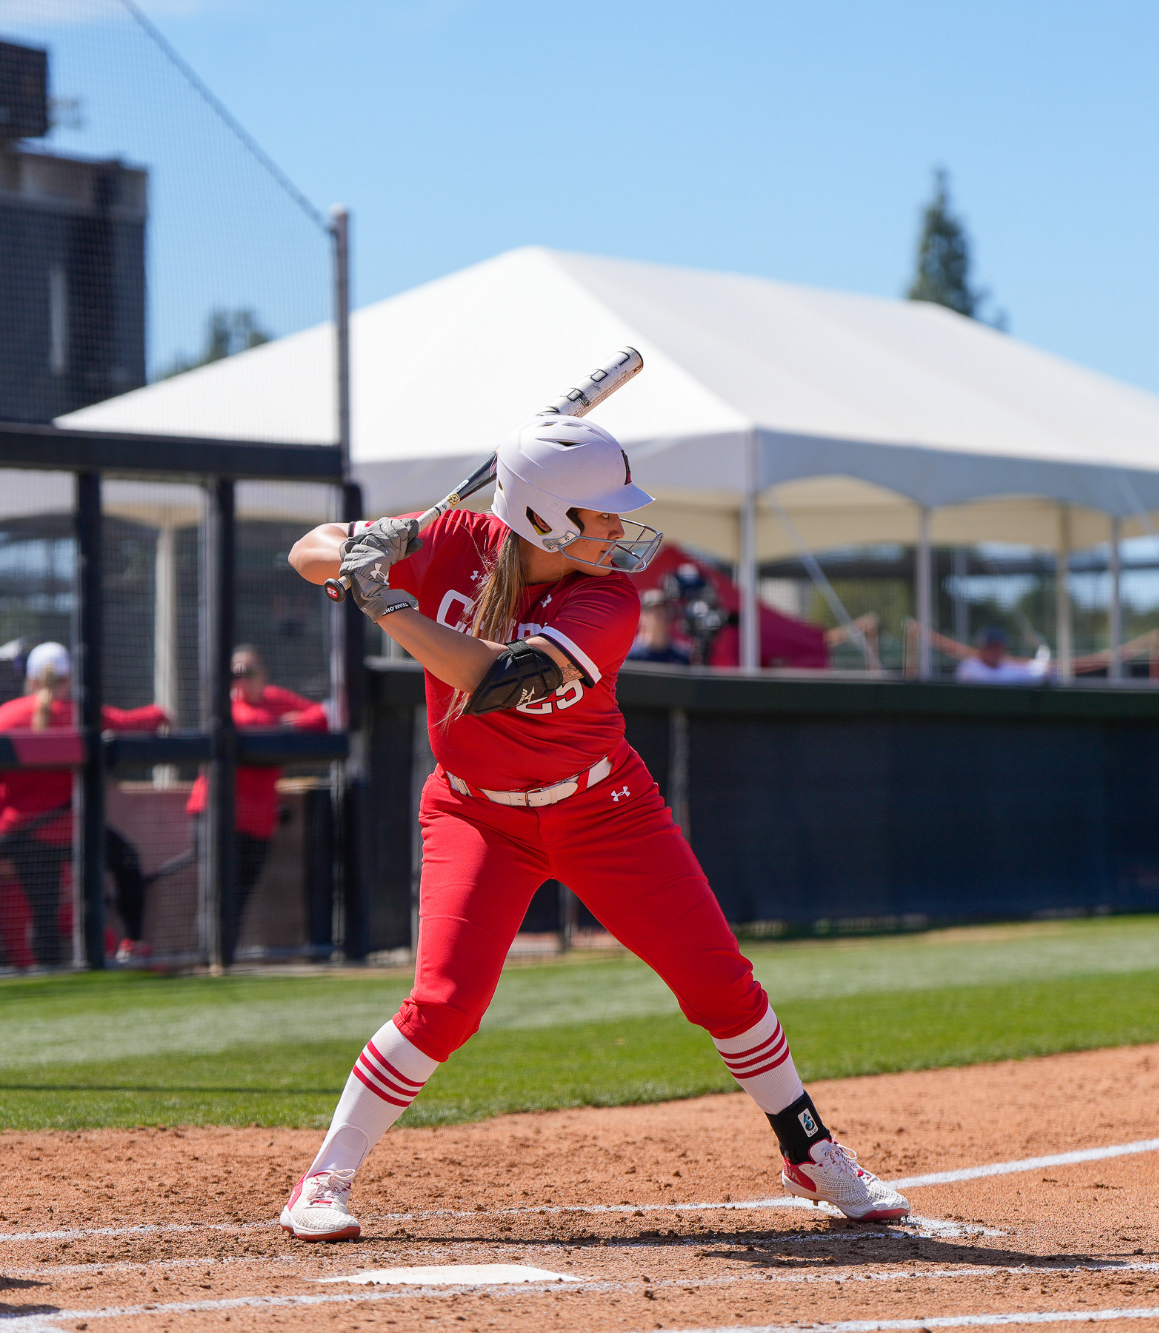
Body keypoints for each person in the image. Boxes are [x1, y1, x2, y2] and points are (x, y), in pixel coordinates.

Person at [277, 411, 908, 1242]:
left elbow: (496, 679)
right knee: (446, 1002)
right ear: (542, 517)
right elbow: (307, 550)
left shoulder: (606, 597)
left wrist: (385, 600)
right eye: (602, 511)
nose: (619, 525)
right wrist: (376, 544)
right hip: (476, 810)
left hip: (603, 807)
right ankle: (324, 1178)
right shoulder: (452, 537)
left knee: (719, 981)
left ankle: (809, 1148)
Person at [0, 642, 168, 968]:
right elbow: (131, 722)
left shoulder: (3, 716)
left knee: (43, 910)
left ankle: (49, 977)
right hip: (73, 829)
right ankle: (134, 942)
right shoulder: (83, 712)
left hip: (24, 833)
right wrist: (161, 714)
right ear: (68, 677)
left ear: (31, 679)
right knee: (126, 862)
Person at [182, 645, 330, 969]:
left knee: (240, 894)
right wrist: (288, 725)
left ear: (263, 674)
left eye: (248, 672)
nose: (241, 680)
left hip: (258, 818)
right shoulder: (226, 704)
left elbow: (326, 714)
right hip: (216, 814)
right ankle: (205, 960)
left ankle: (225, 962)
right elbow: (250, 724)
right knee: (215, 893)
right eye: (235, 674)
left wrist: (292, 722)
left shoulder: (275, 697)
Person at [955, 627, 1047, 684]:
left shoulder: (1007, 667)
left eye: (998, 648)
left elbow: (1033, 674)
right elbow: (990, 679)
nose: (995, 652)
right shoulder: (968, 667)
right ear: (982, 648)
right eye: (991, 647)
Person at [627, 588, 691, 665]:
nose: (661, 616)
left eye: (664, 611)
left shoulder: (680, 657)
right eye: (655, 611)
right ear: (643, 616)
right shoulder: (632, 657)